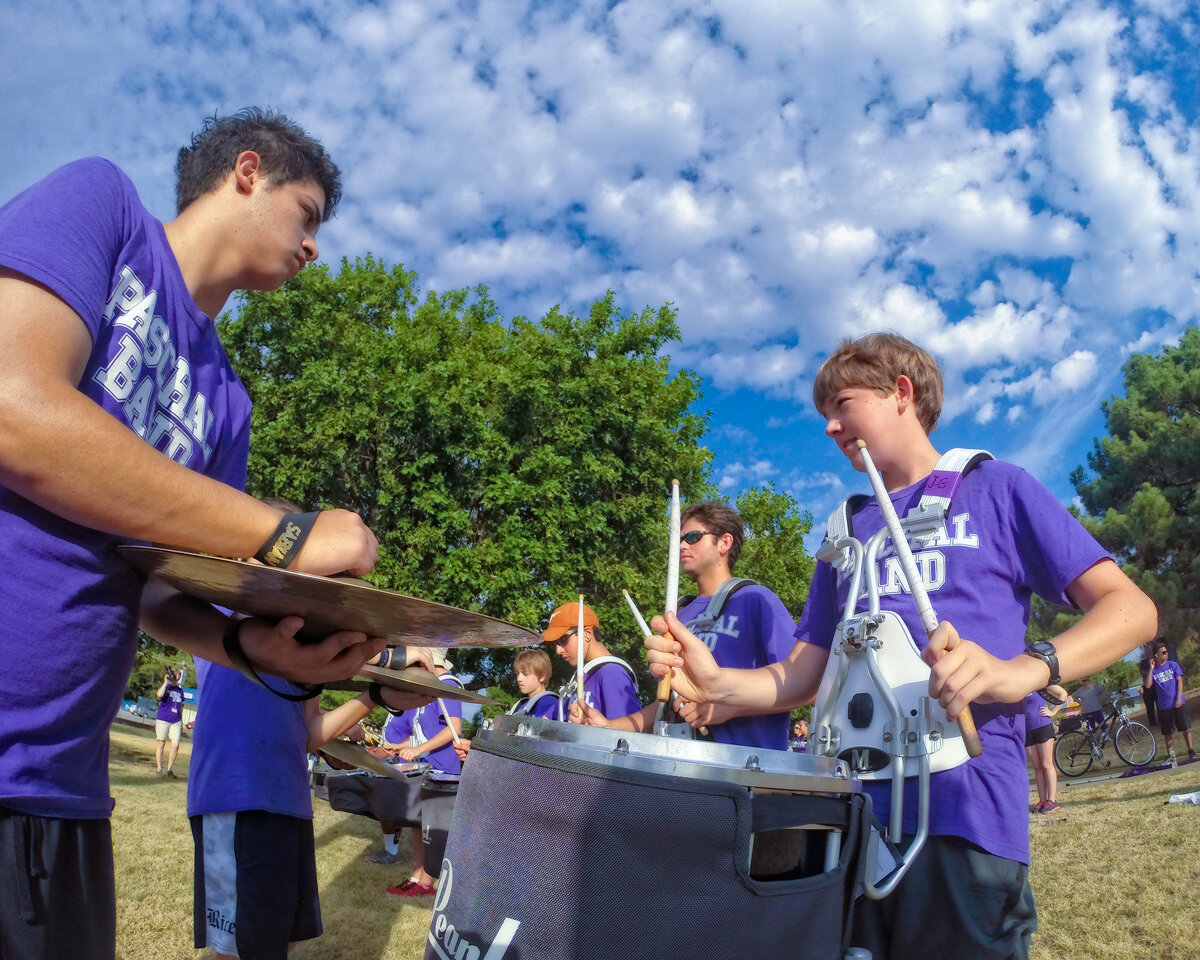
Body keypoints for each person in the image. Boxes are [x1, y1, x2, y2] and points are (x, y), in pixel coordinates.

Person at [0, 107, 387, 959]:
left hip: (64, 788)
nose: (314, 245)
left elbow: (165, 589)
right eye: (308, 214)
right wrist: (285, 534)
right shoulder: (100, 205)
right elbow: (13, 406)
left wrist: (255, 648)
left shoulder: (229, 401)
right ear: (247, 171)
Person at [644, 332, 1157, 960]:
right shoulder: (845, 532)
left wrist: (1022, 670)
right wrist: (718, 684)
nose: (830, 425)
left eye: (843, 403)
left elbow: (1132, 611)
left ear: (901, 394)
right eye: (823, 413)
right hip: (853, 816)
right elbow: (804, 675)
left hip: (963, 806)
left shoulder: (997, 489)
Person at [188, 647, 422, 958]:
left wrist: (374, 697)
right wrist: (386, 656)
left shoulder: (306, 650)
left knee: (283, 940)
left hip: (290, 800)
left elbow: (308, 731)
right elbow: (257, 630)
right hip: (241, 793)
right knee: (243, 949)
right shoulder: (235, 607)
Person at [574, 503, 796, 749]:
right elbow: (666, 702)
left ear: (724, 542)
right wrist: (609, 726)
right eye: (680, 539)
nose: (681, 545)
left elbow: (804, 686)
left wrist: (729, 706)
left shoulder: (757, 600)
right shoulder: (679, 615)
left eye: (693, 537)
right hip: (681, 766)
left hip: (745, 773)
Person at [386, 650, 464, 897]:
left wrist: (418, 749)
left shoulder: (447, 685)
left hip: (443, 770)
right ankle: (417, 876)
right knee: (417, 824)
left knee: (432, 829)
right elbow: (419, 735)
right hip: (425, 768)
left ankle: (427, 881)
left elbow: (455, 730)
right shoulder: (426, 688)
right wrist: (393, 747)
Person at [544, 601, 641, 720]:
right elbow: (545, 721)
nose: (558, 650)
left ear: (587, 634)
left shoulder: (612, 673)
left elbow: (625, 735)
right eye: (555, 643)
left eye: (563, 640)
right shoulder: (580, 677)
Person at [1145, 642, 1196, 763]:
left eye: (1166, 652)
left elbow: (1180, 681)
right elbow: (1147, 685)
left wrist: (1178, 698)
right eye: (1163, 652)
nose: (1166, 654)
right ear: (1156, 655)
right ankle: (1171, 754)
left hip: (1178, 702)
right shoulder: (1155, 671)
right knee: (1168, 732)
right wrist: (1150, 669)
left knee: (1185, 728)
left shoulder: (1173, 665)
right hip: (1164, 706)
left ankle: (1191, 750)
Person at [1025, 684, 1068, 814]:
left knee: (1046, 764)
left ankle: (1052, 800)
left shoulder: (1040, 680)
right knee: (1037, 766)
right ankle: (1042, 800)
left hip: (1042, 726)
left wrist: (1053, 712)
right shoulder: (1018, 684)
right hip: (1026, 729)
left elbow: (1062, 693)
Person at [154, 667, 187, 779]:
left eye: (179, 675)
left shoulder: (180, 690)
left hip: (176, 721)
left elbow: (181, 705)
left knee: (175, 745)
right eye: (176, 674)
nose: (177, 676)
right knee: (161, 743)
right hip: (163, 719)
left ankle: (169, 769)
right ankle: (159, 769)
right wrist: (166, 682)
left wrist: (181, 719)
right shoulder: (166, 687)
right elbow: (159, 695)